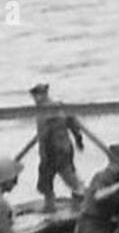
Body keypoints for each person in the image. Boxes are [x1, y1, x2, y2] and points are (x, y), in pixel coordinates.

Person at [29, 82, 84, 212]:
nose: (35, 99)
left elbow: (69, 123)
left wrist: (78, 138)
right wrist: (78, 138)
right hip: (57, 148)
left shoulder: (50, 109)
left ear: (43, 95)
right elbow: (73, 122)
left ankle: (81, 196)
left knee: (65, 175)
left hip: (56, 149)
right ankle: (50, 204)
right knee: (47, 178)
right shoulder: (51, 108)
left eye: (37, 95)